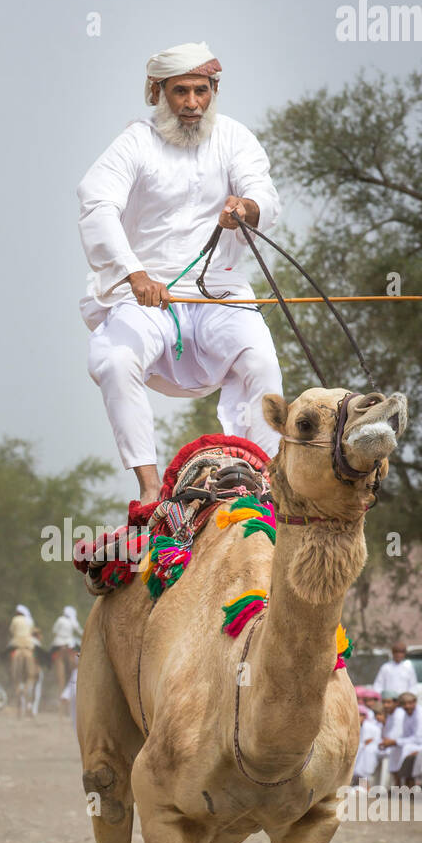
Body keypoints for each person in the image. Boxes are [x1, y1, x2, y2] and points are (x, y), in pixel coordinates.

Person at [77, 40, 284, 504]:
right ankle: (150, 487)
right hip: (149, 293)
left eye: (201, 91)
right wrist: (134, 274)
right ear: (158, 93)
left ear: (214, 91)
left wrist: (246, 208)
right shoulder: (135, 142)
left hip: (219, 289)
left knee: (262, 362)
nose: (192, 104)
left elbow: (265, 196)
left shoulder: (234, 138)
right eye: (181, 92)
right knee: (115, 361)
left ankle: (266, 480)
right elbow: (96, 205)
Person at [380, 692, 422, 786]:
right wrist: (393, 742)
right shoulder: (406, 713)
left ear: (415, 702)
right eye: (404, 704)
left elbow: (419, 739)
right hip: (412, 743)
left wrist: (395, 742)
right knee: (396, 749)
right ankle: (398, 784)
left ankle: (408, 784)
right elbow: (405, 735)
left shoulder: (421, 714)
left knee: (406, 749)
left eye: (410, 703)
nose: (407, 706)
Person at [51, 605, 83, 707]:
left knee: (49, 654)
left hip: (59, 643)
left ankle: (49, 667)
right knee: (81, 655)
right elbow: (80, 631)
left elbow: (54, 631)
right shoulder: (73, 621)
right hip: (70, 644)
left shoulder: (60, 619)